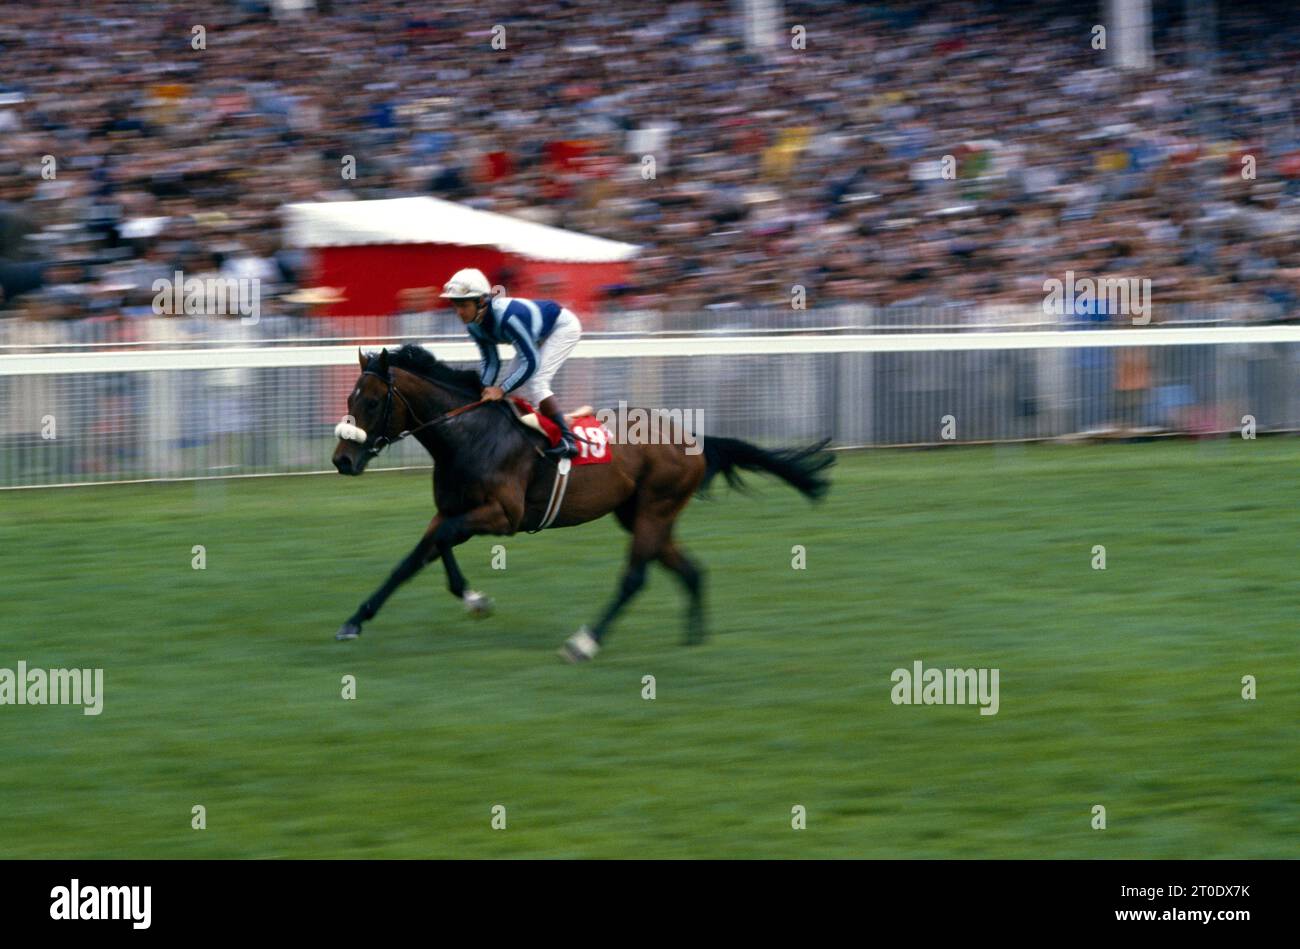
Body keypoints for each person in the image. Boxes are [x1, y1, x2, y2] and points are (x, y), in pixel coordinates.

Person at [439, 268, 582, 458]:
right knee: (514, 390)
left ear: (481, 301)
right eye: (455, 305)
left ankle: (568, 440)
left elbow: (531, 362)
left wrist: (501, 389)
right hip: (537, 335)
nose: (459, 312)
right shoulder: (474, 326)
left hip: (562, 327)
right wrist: (484, 388)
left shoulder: (509, 318)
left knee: (536, 382)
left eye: (463, 305)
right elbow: (491, 361)